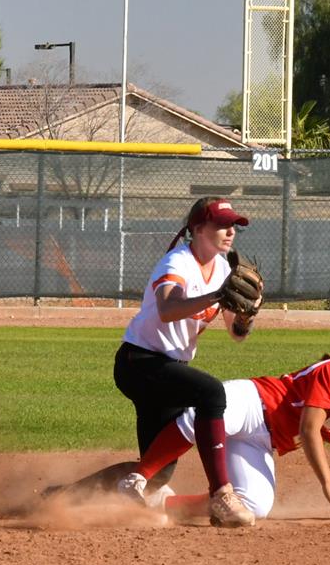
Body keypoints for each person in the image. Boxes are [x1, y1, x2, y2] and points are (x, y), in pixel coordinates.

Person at [53, 341, 330, 526]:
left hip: (262, 441)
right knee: (199, 418)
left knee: (257, 505)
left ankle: (158, 505)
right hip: (252, 401)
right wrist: (329, 485)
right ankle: (138, 477)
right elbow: (310, 430)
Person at [111, 196, 262, 527]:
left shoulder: (223, 268)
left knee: (158, 472)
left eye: (233, 225)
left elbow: (236, 333)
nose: (230, 231)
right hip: (140, 362)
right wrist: (216, 296)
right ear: (198, 228)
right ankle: (221, 494)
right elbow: (167, 309)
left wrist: (248, 314)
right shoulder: (177, 263)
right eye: (221, 224)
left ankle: (69, 494)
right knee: (211, 394)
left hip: (167, 368)